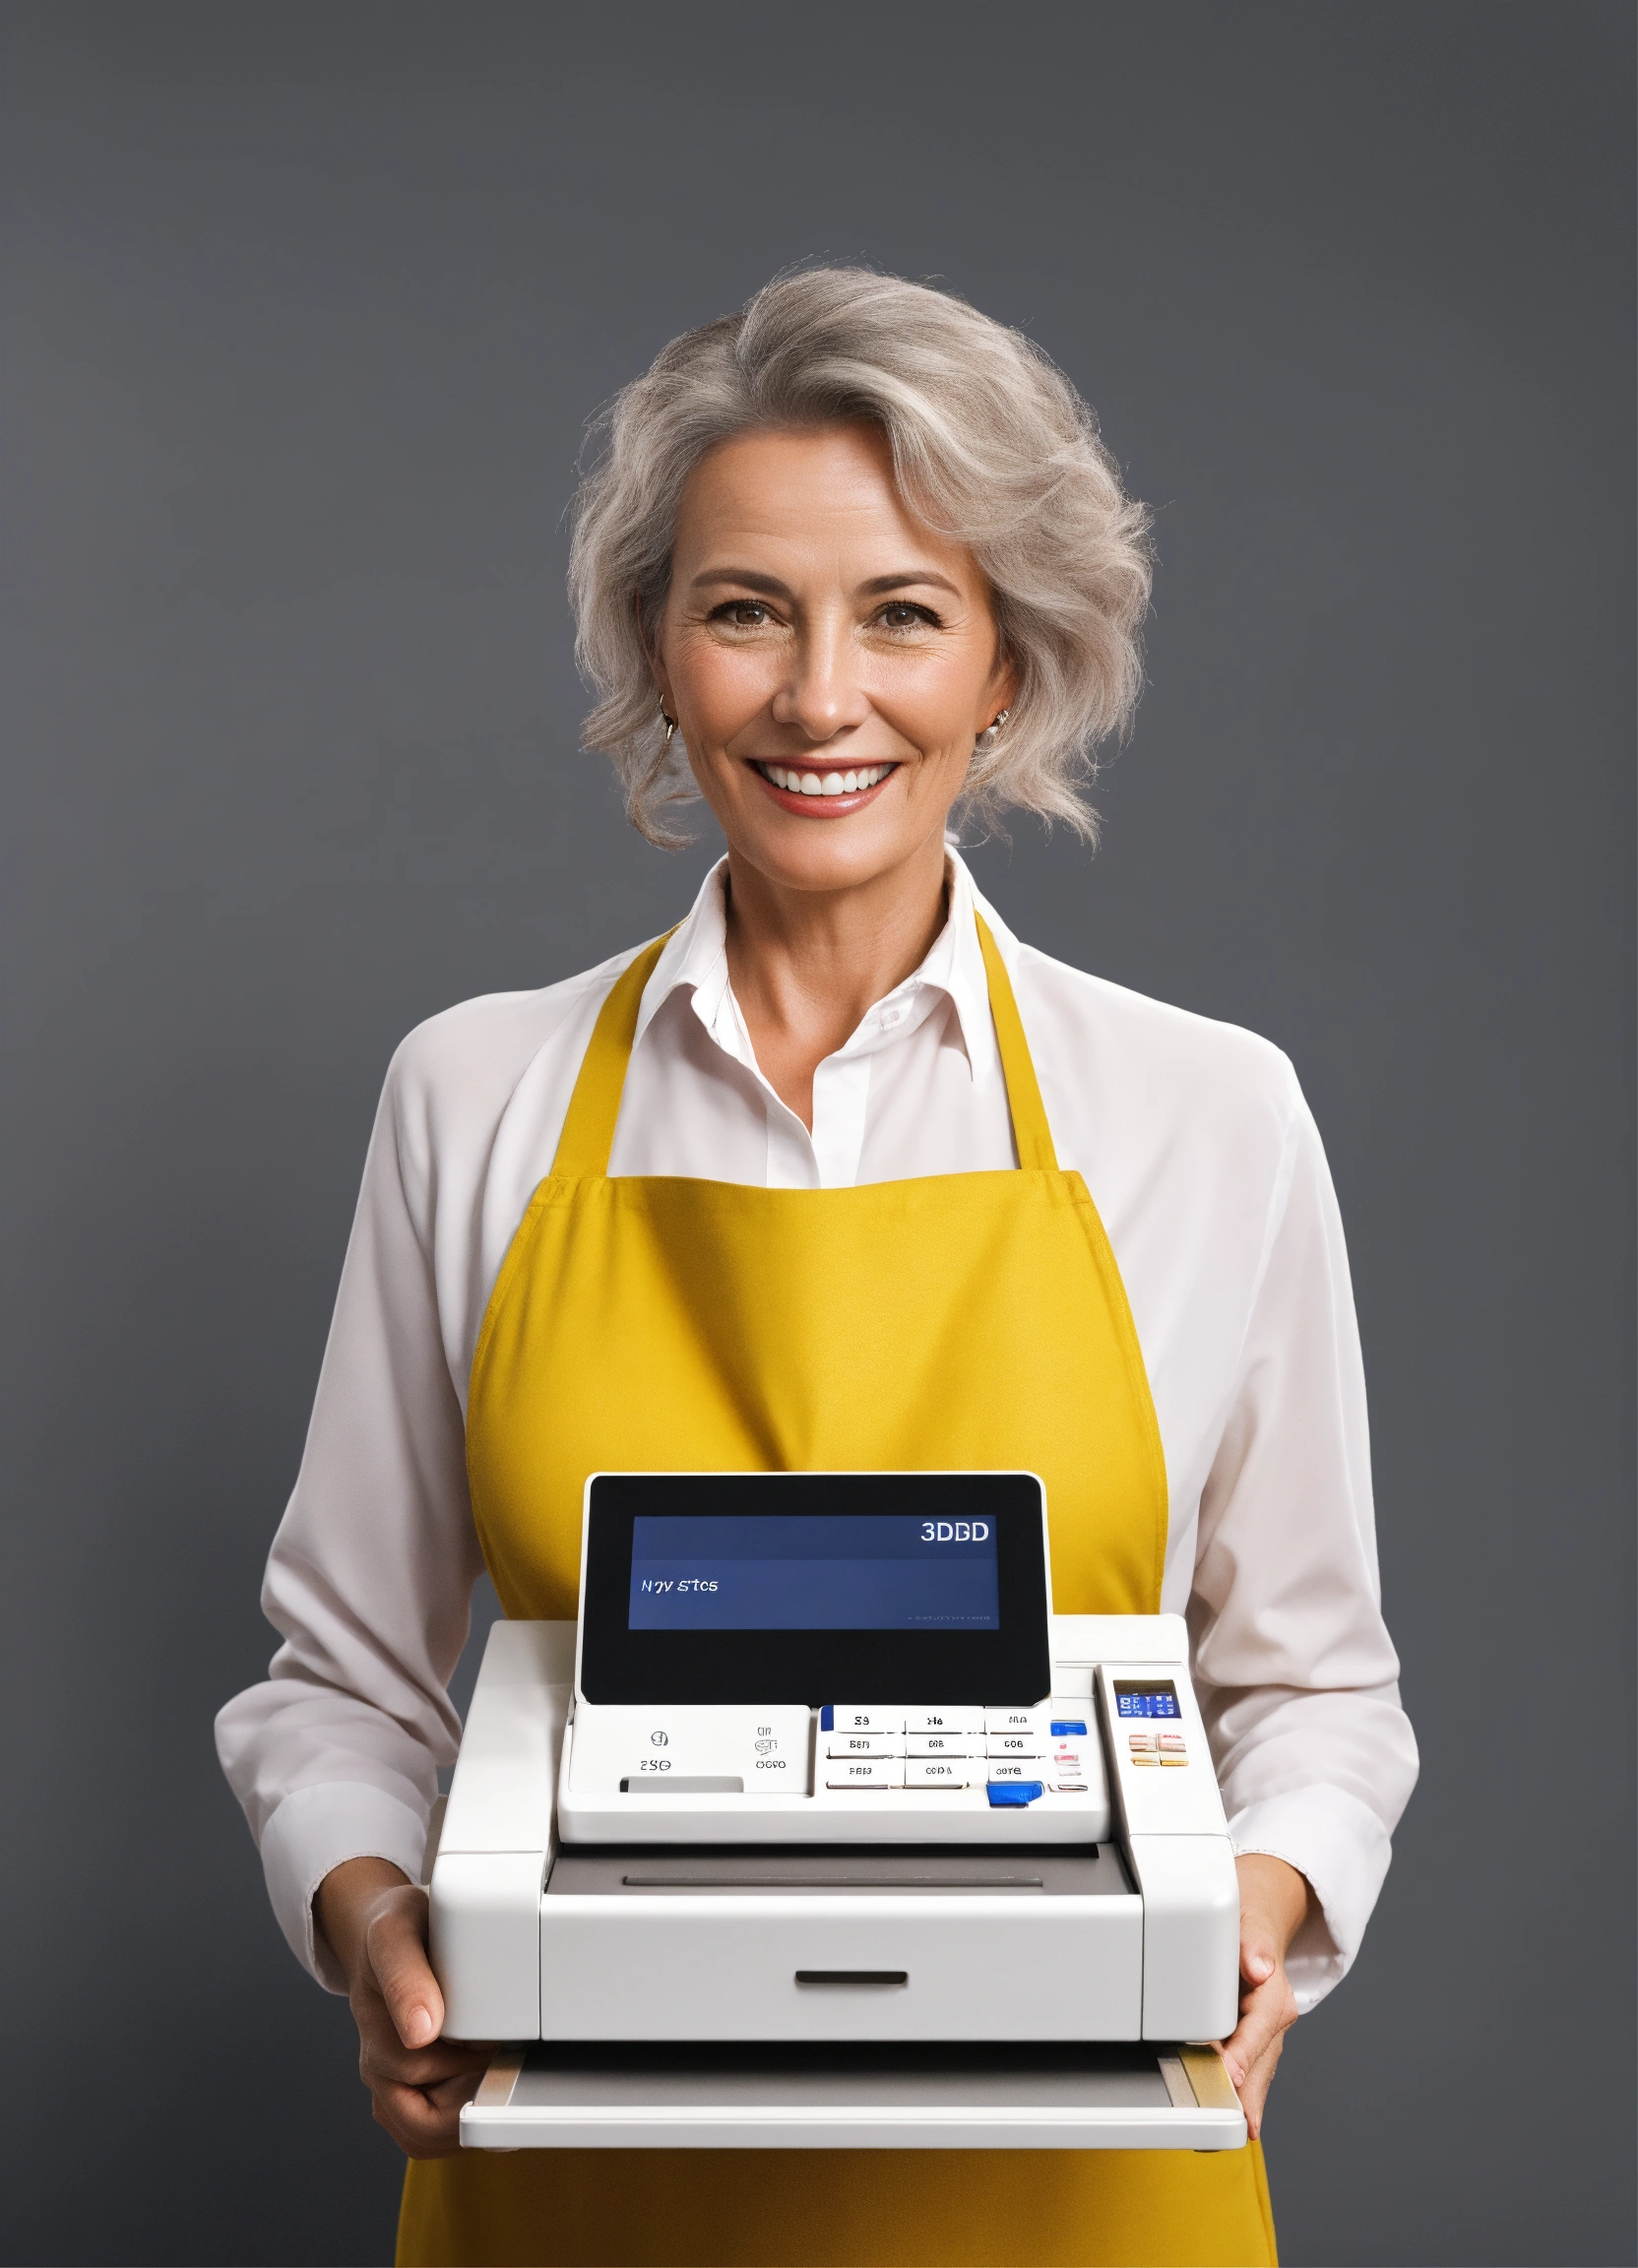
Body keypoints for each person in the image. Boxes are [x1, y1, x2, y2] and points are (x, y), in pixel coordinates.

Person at [218, 268, 1418, 2268]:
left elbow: (1314, 1686)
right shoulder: (474, 1094)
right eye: (745, 608)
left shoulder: (1206, 1113)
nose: (817, 698)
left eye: (904, 615)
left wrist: (1259, 1924)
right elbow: (339, 1679)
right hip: (571, 2194)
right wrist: (378, 1926)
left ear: (1009, 669)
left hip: (1073, 2200)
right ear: (657, 648)